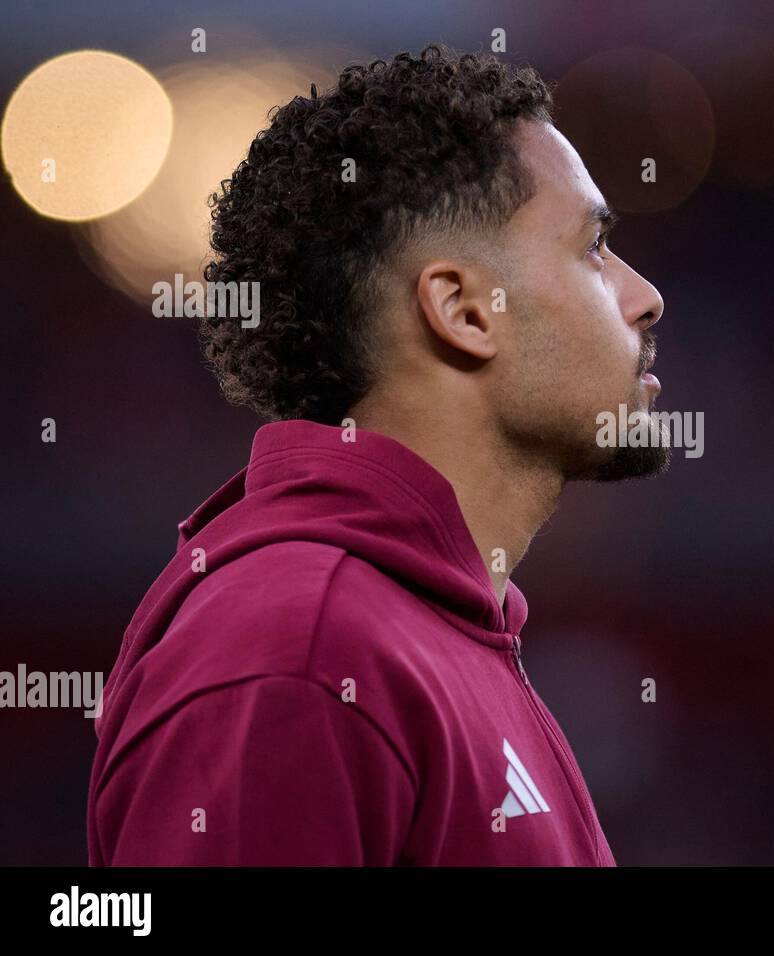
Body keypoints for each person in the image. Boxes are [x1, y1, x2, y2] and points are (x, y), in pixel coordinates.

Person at [87, 43, 666, 865]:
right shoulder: (299, 651)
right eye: (591, 248)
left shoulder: (419, 629)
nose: (645, 298)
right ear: (464, 311)